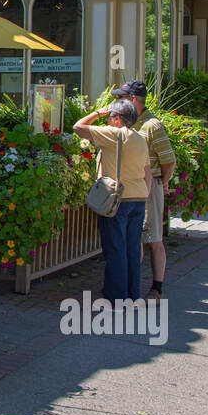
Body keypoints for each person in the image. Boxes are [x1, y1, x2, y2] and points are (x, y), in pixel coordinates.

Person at [73, 99, 150, 303]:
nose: (107, 120)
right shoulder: (141, 138)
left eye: (110, 116)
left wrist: (97, 113)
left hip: (118, 199)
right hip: (138, 197)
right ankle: (132, 297)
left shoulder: (115, 134)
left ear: (117, 119)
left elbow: (78, 128)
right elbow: (147, 171)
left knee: (115, 249)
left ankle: (116, 300)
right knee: (132, 249)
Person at [112, 81, 176, 301]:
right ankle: (132, 286)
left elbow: (169, 161)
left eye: (121, 98)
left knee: (153, 238)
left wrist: (162, 184)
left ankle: (157, 288)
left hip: (150, 187)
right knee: (135, 239)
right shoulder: (130, 122)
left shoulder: (152, 126)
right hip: (132, 187)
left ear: (132, 100)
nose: (116, 102)